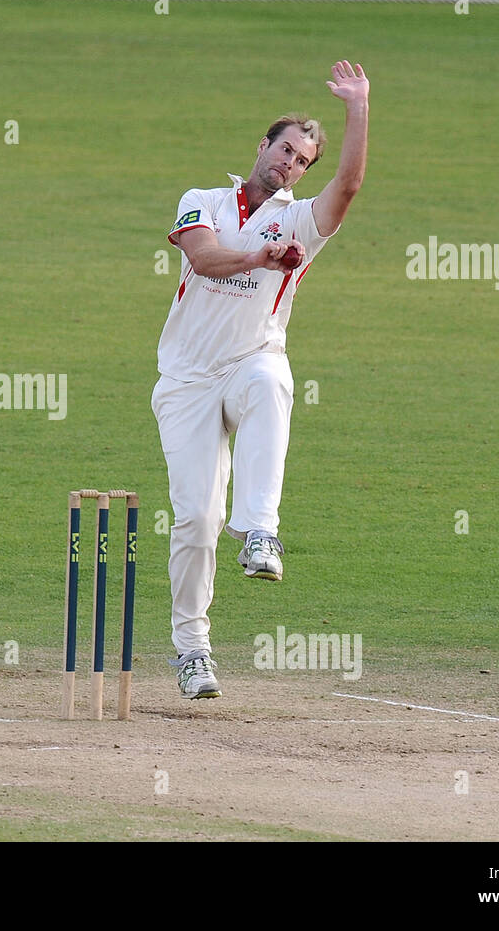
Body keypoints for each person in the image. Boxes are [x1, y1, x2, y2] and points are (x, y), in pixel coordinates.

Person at [154, 61, 369, 700]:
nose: (290, 166)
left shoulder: (301, 219)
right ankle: (192, 652)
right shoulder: (205, 200)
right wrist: (257, 255)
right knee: (194, 519)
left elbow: (350, 185)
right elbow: (203, 258)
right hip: (187, 380)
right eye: (285, 151)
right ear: (262, 146)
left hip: (250, 359)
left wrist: (358, 107)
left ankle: (261, 530)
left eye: (303, 161)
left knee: (272, 381)